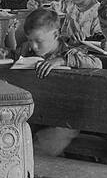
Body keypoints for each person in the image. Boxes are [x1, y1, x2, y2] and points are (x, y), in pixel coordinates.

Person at [15, 8, 101, 159]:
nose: (33, 46)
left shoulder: (70, 49)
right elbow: (13, 56)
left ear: (55, 35)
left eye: (38, 41)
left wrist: (62, 60)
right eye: (30, 40)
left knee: (39, 149)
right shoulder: (27, 50)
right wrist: (3, 54)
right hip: (37, 112)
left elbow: (96, 63)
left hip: (66, 117)